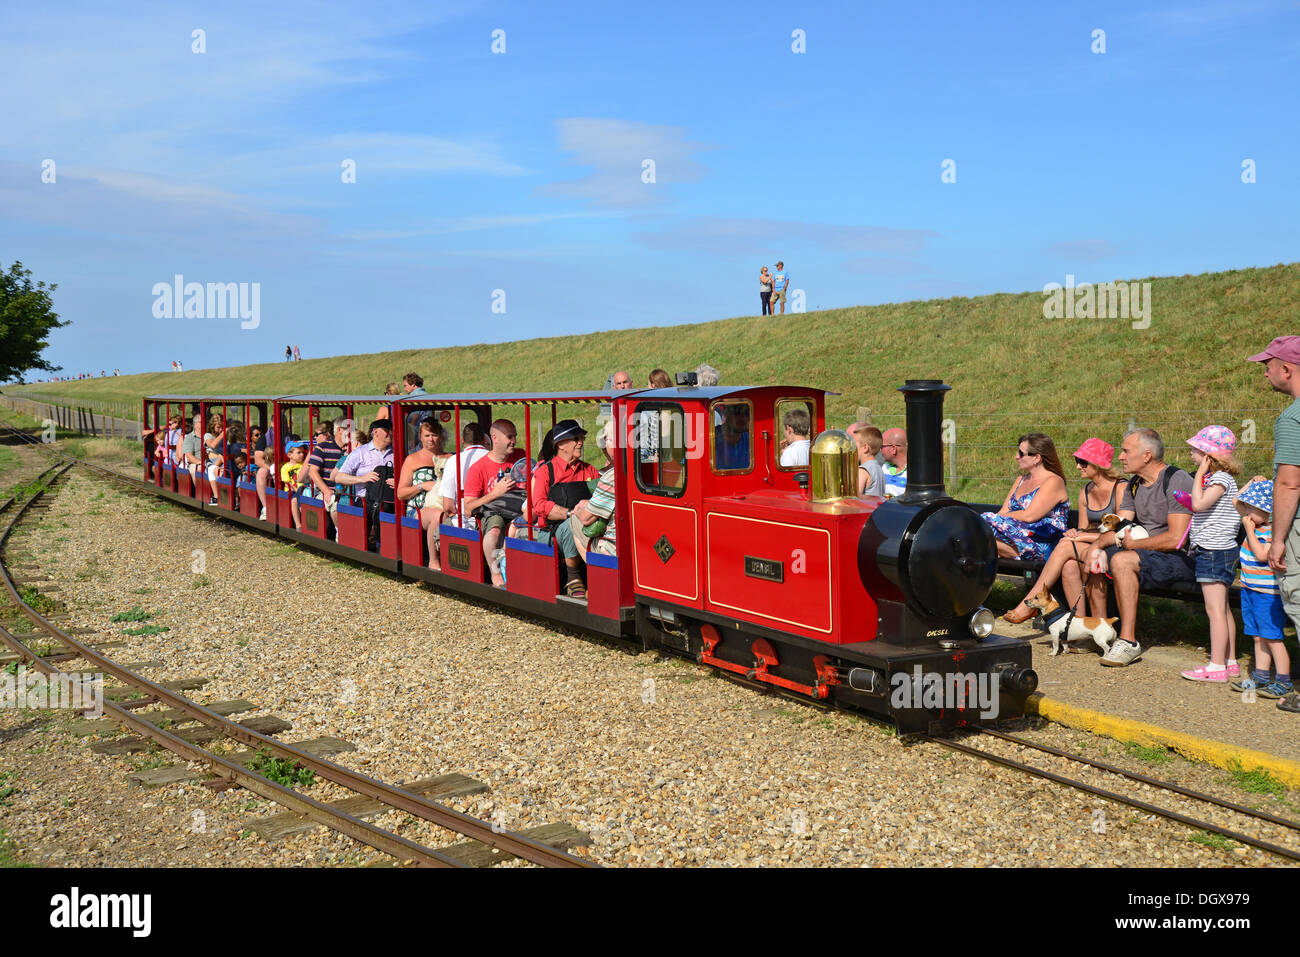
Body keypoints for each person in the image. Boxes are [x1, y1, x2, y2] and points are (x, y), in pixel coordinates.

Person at [1072, 428, 1194, 668]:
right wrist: (1096, 546)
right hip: (1143, 552)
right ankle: (1100, 631)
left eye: (1126, 451)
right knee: (1094, 555)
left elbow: (1176, 539)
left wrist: (1133, 545)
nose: (1120, 457)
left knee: (1120, 560)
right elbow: (1118, 526)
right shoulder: (1135, 484)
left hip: (1178, 558)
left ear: (1146, 455)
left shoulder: (1176, 480)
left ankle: (1128, 641)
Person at [1002, 438, 1121, 623]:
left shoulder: (1120, 488)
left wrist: (1080, 536)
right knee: (1069, 564)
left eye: (1082, 462)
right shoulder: (1086, 491)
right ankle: (1078, 626)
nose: (1078, 467)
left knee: (1065, 547)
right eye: (1077, 462)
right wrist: (1075, 533)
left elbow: (1122, 530)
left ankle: (1027, 606)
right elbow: (1083, 527)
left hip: (1116, 545)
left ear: (1098, 464)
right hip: (1092, 545)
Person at [1249, 337, 1300, 711]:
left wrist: (1278, 539)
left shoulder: (1292, 418)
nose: (1265, 371)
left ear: (1286, 369)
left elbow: (1288, 482)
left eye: (1268, 364)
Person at [1180, 426, 1243, 682]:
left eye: (1196, 450)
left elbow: (1199, 505)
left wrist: (1198, 477)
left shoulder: (1219, 479)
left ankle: (1216, 666)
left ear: (1209, 456)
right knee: (1223, 608)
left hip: (1214, 550)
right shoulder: (1222, 480)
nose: (1191, 454)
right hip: (1218, 549)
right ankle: (1230, 661)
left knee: (1214, 609)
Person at [1233, 480, 1291, 698]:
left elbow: (1261, 555)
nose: (1246, 512)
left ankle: (1284, 680)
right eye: (1247, 508)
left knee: (1273, 637)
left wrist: (1249, 530)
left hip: (1268, 595)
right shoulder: (1254, 523)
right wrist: (1249, 484)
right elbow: (1235, 501)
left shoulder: (1272, 533)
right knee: (1258, 636)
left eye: (1252, 509)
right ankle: (1261, 676)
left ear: (1268, 513)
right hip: (1250, 589)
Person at [531, 419, 599, 599]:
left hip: (587, 523)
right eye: (576, 438)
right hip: (552, 531)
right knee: (572, 524)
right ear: (561, 444)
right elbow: (539, 505)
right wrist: (570, 513)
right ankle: (573, 577)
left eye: (581, 438)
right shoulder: (545, 471)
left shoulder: (589, 470)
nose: (580, 442)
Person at [980, 433, 1069, 561]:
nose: (1017, 457)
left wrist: (999, 517)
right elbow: (1003, 511)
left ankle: (989, 549)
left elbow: (1030, 516)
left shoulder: (1053, 481)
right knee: (979, 528)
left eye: (1021, 453)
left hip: (1041, 539)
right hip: (1015, 536)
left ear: (1037, 458)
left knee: (982, 523)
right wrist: (998, 517)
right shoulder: (1020, 480)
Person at [463, 419, 526, 586]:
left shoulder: (521, 456)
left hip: (521, 509)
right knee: (495, 530)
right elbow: (468, 508)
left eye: (515, 436)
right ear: (495, 438)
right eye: (509, 436)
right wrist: (494, 493)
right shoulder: (478, 468)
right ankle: (495, 572)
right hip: (494, 512)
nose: (514, 441)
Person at [334, 419, 396, 549]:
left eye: (391, 430)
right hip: (364, 500)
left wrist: (399, 483)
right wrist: (361, 478)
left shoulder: (397, 453)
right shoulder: (360, 452)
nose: (390, 433)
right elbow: (339, 477)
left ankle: (386, 549)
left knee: (388, 510)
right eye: (386, 430)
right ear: (376, 432)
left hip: (390, 501)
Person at [397, 418, 447, 570]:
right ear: (420, 437)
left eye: (434, 435)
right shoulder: (412, 460)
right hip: (417, 509)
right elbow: (401, 493)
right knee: (437, 515)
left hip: (444, 504)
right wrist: (421, 486)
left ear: (440, 436)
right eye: (427, 435)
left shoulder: (449, 458)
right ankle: (433, 560)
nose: (431, 439)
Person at [571, 420, 618, 559]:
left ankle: (593, 574)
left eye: (606, 442)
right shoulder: (641, 470)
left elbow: (586, 518)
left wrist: (578, 510)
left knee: (574, 521)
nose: (604, 448)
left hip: (614, 547)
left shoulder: (612, 477)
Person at [850, 423, 886, 497]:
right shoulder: (879, 468)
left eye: (853, 445)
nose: (850, 449)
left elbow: (854, 498)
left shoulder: (862, 471)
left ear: (865, 448)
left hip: (866, 508)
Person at [714, 403, 752, 470]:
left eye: (747, 413)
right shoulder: (711, 436)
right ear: (726, 413)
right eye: (737, 412)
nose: (743, 417)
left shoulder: (751, 439)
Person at [282, 438, 309, 528]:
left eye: (303, 452)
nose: (302, 455)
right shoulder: (285, 467)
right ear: (290, 455)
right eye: (299, 452)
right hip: (292, 490)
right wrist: (296, 490)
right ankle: (298, 524)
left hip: (303, 488)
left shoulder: (303, 465)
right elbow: (287, 482)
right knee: (294, 500)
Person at [881, 429, 908, 497]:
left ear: (893, 449)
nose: (880, 450)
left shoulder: (916, 473)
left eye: (882, 446)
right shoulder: (885, 467)